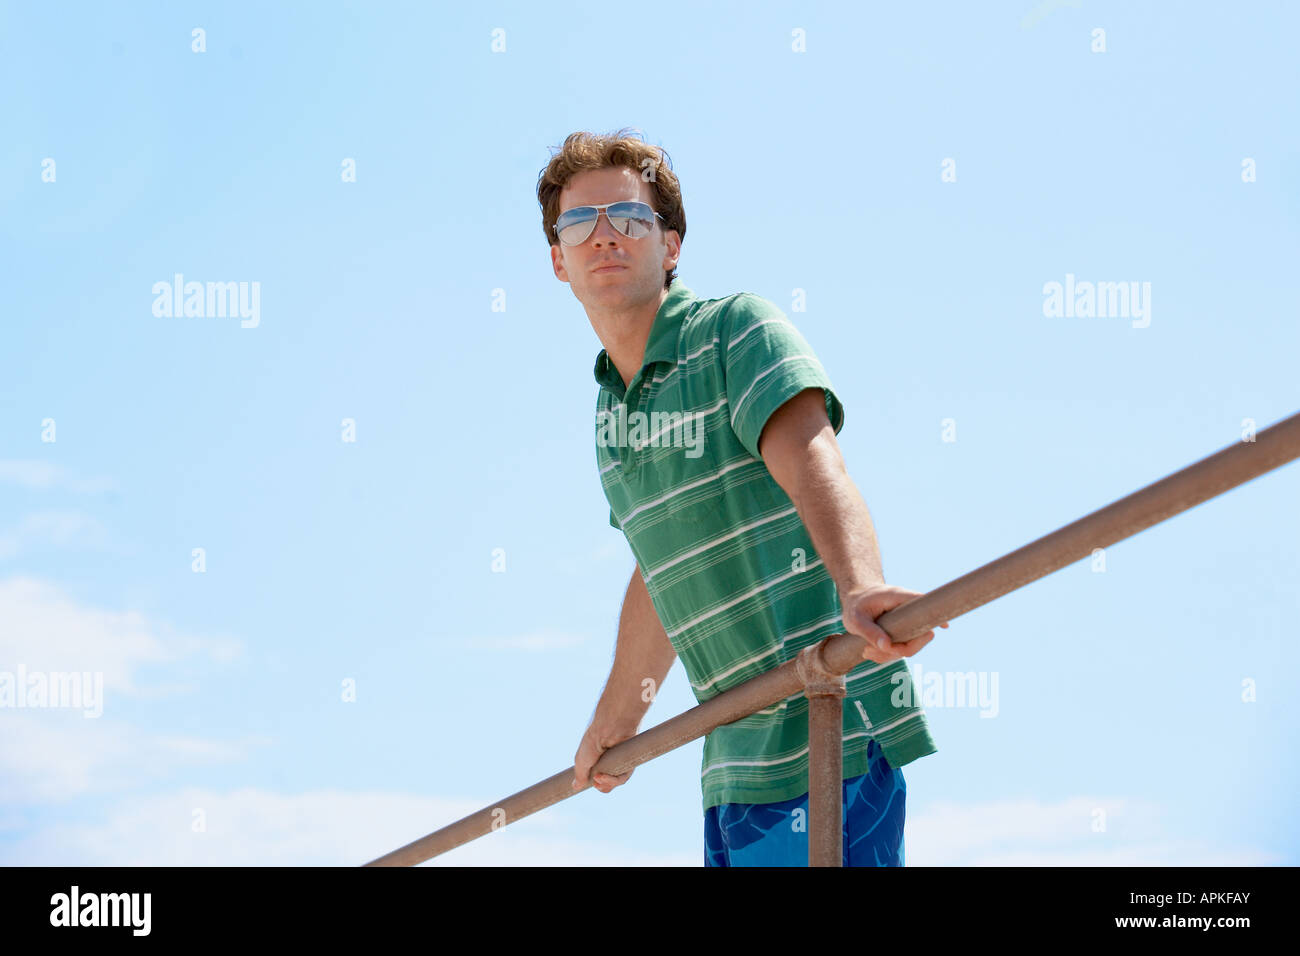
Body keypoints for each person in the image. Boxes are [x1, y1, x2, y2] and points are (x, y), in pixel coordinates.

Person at [536, 128, 948, 866]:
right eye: (579, 222)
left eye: (629, 218)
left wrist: (861, 588)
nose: (604, 236)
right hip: (735, 755)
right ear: (557, 261)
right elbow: (659, 569)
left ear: (671, 247)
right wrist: (616, 717)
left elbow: (815, 460)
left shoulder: (735, 331)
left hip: (833, 721)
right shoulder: (609, 413)